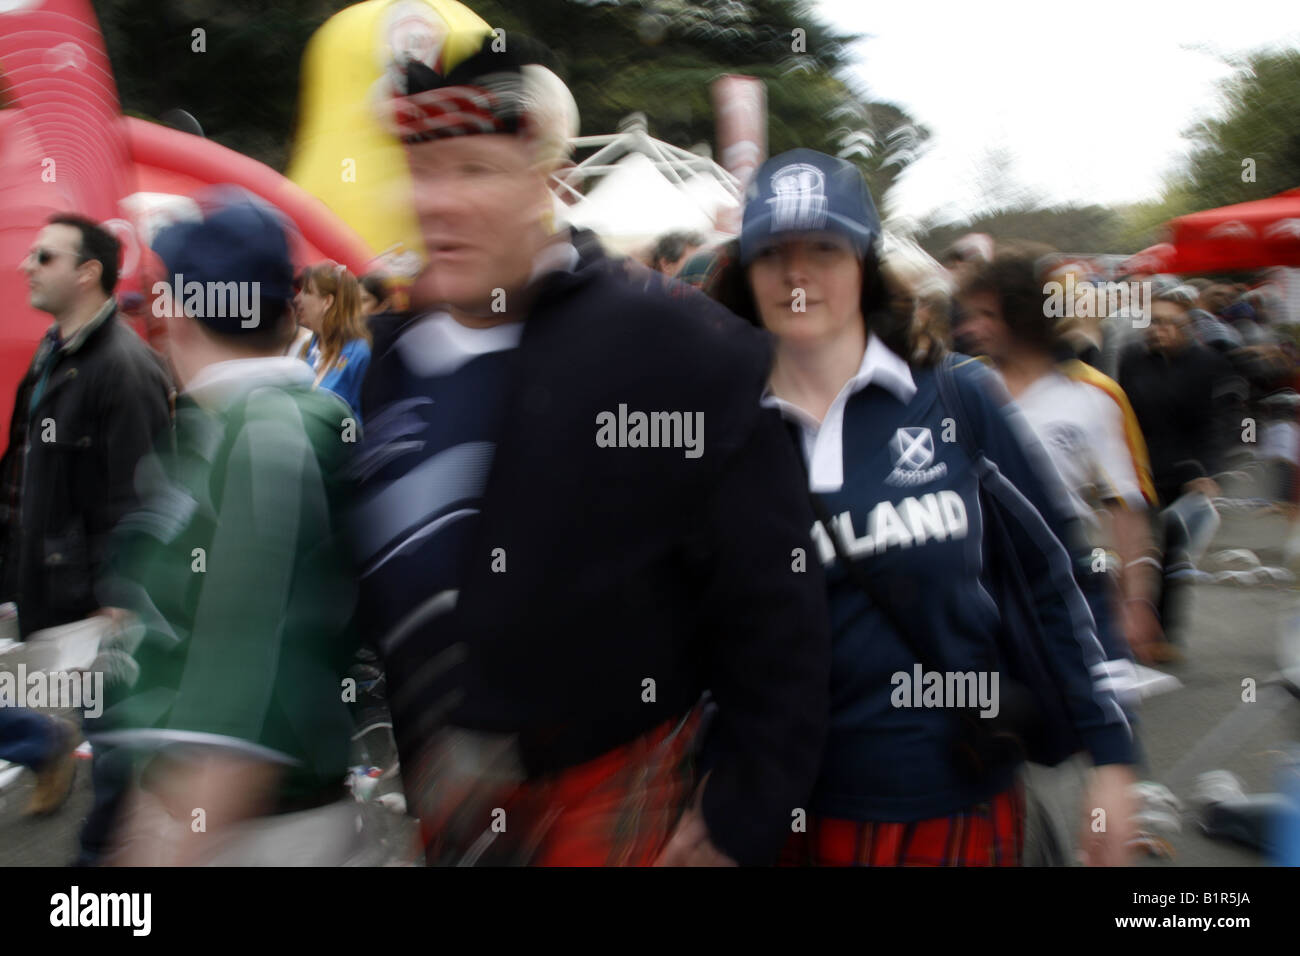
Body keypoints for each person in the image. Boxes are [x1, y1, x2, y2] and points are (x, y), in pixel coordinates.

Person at [355, 33, 830, 867]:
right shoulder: (397, 361)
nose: (440, 202)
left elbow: (778, 607)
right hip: (453, 813)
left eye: (475, 170)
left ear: (546, 177)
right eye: (425, 172)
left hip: (621, 804)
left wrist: (746, 806)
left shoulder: (678, 348)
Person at [703, 149, 1137, 866]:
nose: (798, 273)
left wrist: (1113, 759)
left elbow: (1058, 573)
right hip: (782, 816)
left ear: (865, 263)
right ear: (745, 272)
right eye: (772, 251)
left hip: (954, 800)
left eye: (825, 248)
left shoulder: (958, 396)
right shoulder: (718, 429)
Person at [94, 189, 368, 866]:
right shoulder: (241, 424)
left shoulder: (264, 435)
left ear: (179, 314)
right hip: (230, 821)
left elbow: (250, 678)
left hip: (253, 835)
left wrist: (171, 845)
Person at [1, 215, 171, 827]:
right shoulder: (55, 351)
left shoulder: (124, 368)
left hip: (95, 611)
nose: (27, 266)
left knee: (118, 754)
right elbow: (26, 468)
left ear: (88, 272)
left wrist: (118, 608)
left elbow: (142, 500)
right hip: (48, 585)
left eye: (43, 256)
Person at [955, 246, 1162, 667]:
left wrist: (1136, 600)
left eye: (987, 315)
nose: (971, 328)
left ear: (1026, 314)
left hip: (1065, 577)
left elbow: (1125, 506)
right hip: (970, 578)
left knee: (1085, 712)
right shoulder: (957, 384)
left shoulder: (1096, 394)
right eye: (969, 314)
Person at [1119, 287, 1238, 653]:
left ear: (1185, 327)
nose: (1158, 329)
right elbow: (1122, 413)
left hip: (1185, 476)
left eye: (1168, 323)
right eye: (1152, 322)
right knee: (1134, 555)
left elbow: (1217, 425)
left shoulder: (1207, 365)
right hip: (1138, 470)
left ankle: (1165, 636)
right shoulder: (1132, 359)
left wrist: (1208, 473)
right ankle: (1131, 631)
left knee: (1172, 558)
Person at [294, 262, 372, 420]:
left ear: (327, 302)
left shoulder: (359, 353)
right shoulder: (306, 347)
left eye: (307, 291)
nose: (297, 299)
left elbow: (360, 422)